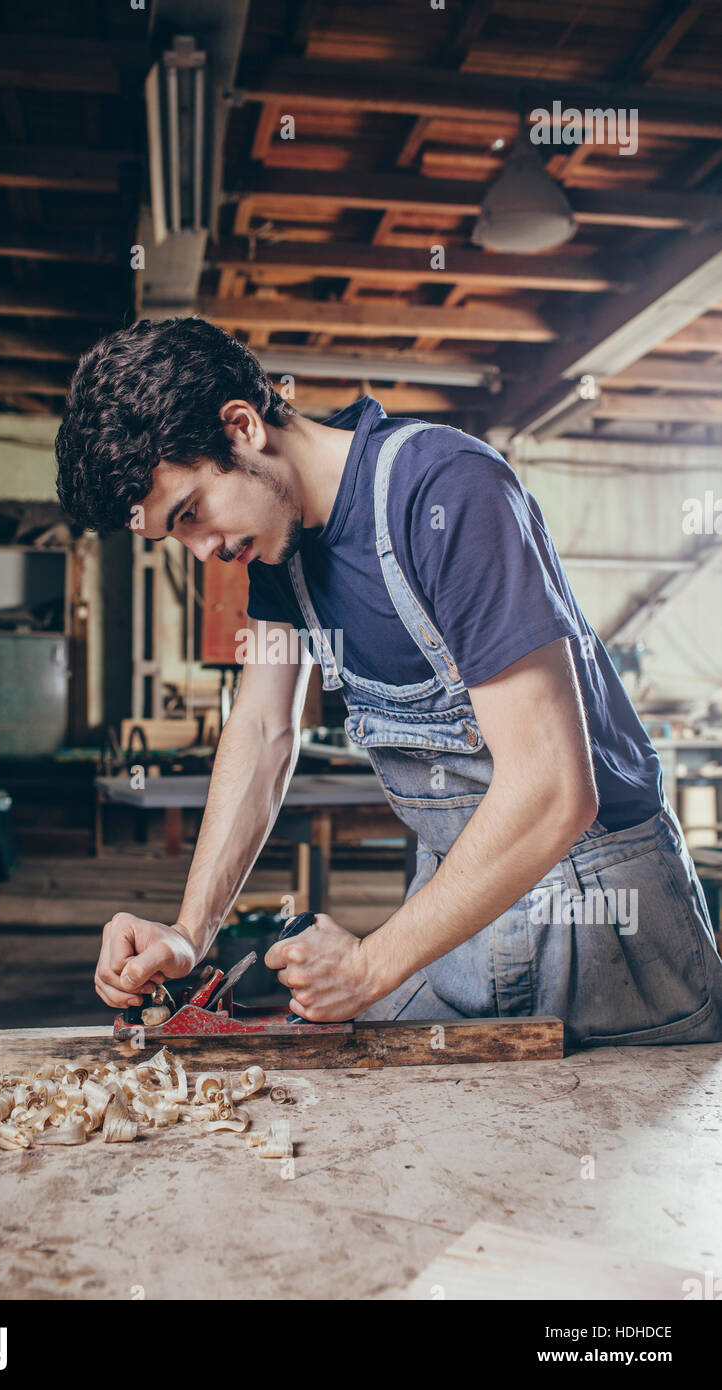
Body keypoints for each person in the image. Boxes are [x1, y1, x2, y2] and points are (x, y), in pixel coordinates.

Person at [56, 316, 722, 1048]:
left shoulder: (445, 492)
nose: (204, 549)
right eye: (174, 535)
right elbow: (262, 732)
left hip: (603, 923)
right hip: (464, 911)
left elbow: (553, 789)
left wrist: (370, 966)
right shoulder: (278, 551)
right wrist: (188, 933)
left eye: (192, 513)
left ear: (242, 427)